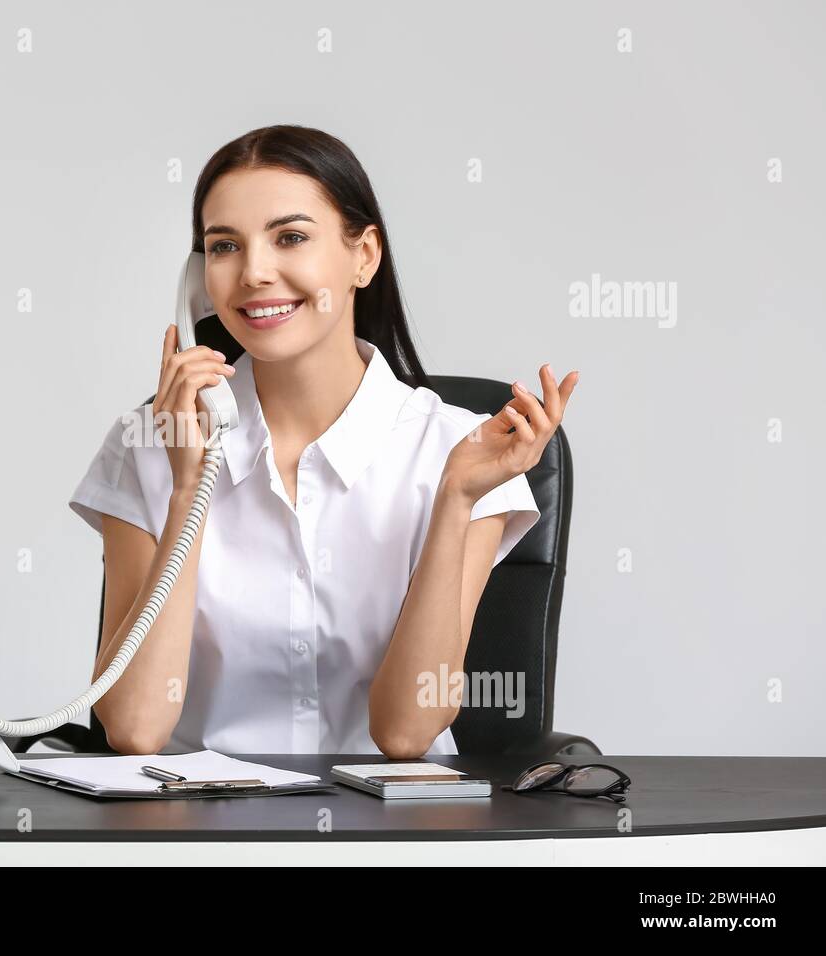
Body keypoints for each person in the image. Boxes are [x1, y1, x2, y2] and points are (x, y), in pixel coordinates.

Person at [69, 125, 579, 758]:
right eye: (224, 246)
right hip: (202, 835)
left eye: (290, 237)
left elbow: (404, 731)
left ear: (363, 256)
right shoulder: (147, 446)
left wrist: (455, 501)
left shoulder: (456, 451)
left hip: (387, 841)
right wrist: (186, 488)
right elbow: (135, 729)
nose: (253, 272)